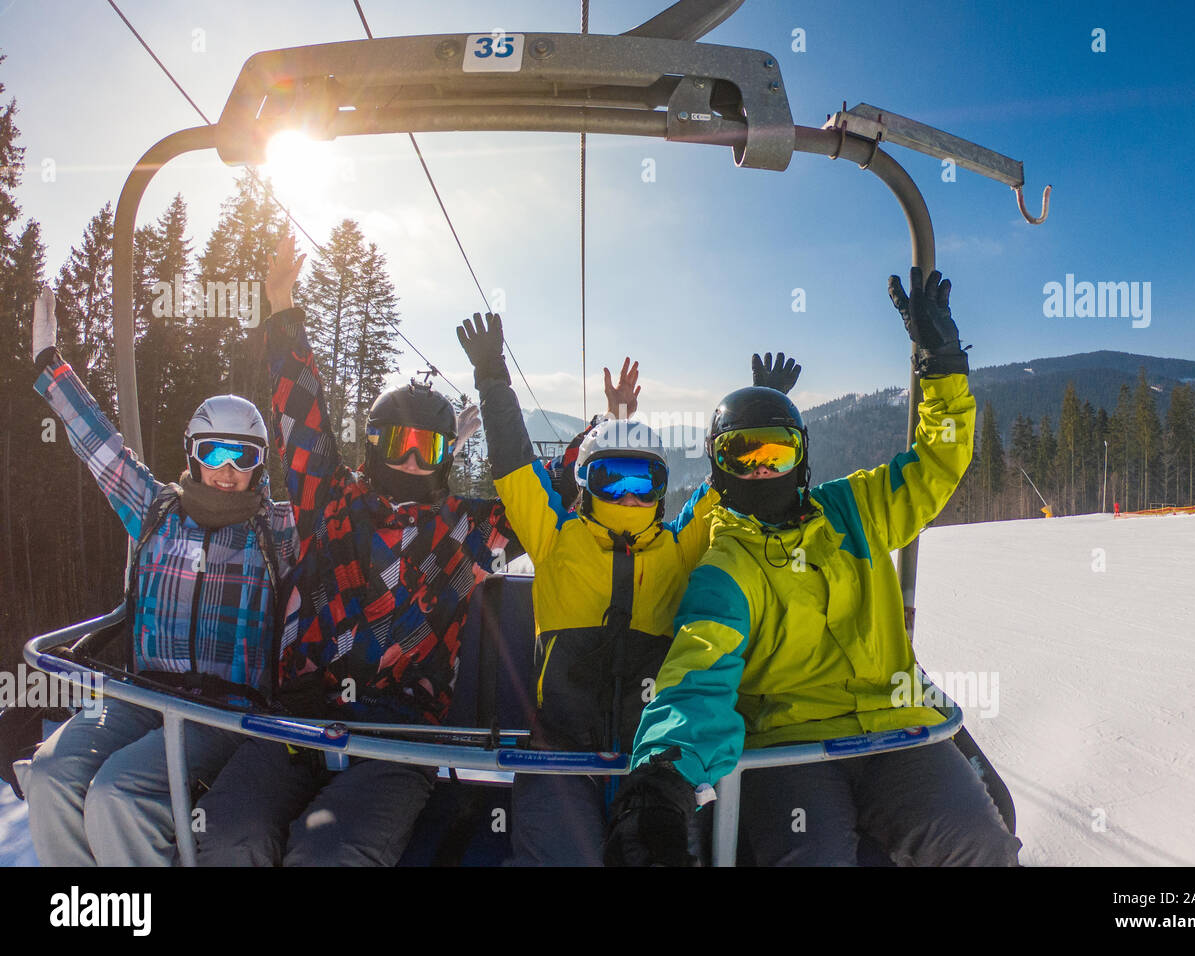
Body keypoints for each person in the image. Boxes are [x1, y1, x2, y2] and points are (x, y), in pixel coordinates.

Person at [605, 268, 1022, 866]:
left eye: (776, 454)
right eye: (741, 458)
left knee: (978, 843)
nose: (761, 472)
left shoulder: (856, 509)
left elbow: (938, 460)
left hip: (895, 728)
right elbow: (698, 672)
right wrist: (663, 776)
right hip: (789, 747)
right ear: (719, 470)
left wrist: (944, 366)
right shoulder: (728, 563)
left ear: (802, 459)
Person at [194, 235, 522, 866]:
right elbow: (302, 419)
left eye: (426, 450)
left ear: (446, 459)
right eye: (397, 443)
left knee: (331, 852)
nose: (408, 461)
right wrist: (284, 309)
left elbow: (541, 502)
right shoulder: (332, 501)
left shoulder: (463, 530)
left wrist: (513, 393)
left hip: (398, 734)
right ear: (374, 445)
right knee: (230, 829)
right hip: (300, 715)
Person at [459, 313, 799, 865]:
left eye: (644, 482)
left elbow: (725, 484)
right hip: (562, 753)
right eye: (611, 479)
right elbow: (516, 466)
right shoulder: (556, 539)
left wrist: (762, 405)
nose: (630, 495)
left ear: (662, 491)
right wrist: (493, 378)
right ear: (586, 485)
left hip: (652, 762)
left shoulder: (676, 547)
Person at [24, 287, 298, 866]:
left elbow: (336, 505)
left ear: (260, 464)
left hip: (223, 711)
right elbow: (101, 448)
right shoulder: (155, 511)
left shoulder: (275, 531)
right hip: (141, 692)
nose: (228, 471)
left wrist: (415, 472)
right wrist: (51, 370)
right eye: (215, 453)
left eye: (243, 457)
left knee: (118, 794)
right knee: (50, 773)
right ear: (193, 454)